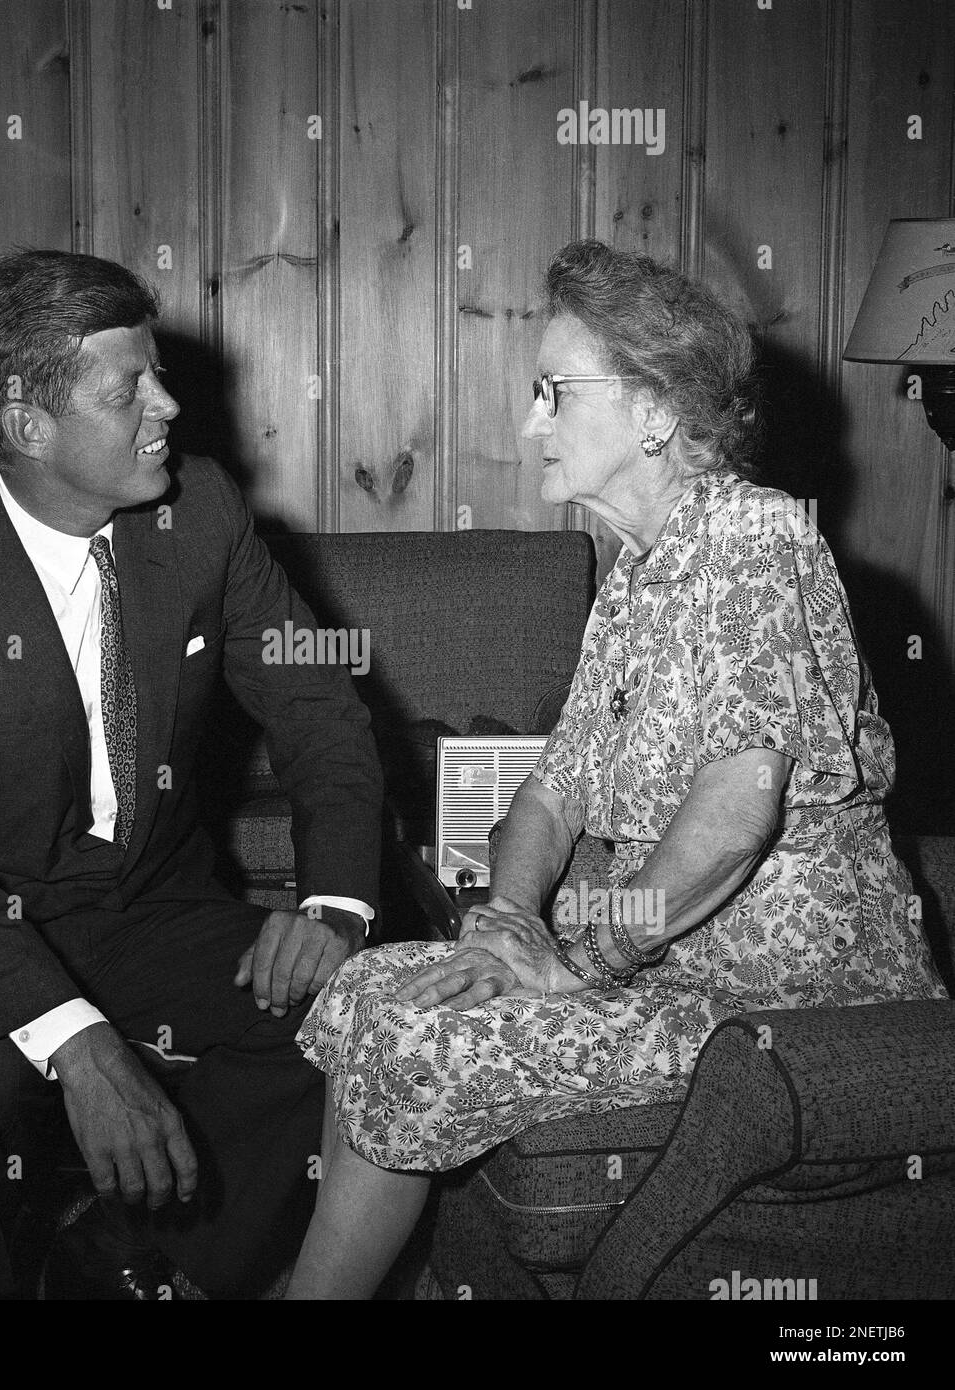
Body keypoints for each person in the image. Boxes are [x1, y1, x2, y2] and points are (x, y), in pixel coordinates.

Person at [286, 238, 948, 1299]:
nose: (528, 421)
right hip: (681, 974)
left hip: (792, 1007)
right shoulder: (639, 577)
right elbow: (553, 784)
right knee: (371, 982)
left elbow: (736, 814)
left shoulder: (755, 543)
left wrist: (578, 960)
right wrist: (507, 912)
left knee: (421, 1032)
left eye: (555, 392)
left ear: (654, 412)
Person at [0, 249, 383, 1299]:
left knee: (356, 1013)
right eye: (127, 387)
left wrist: (336, 906)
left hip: (154, 909)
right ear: (25, 420)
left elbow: (319, 710)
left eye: (159, 372)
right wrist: (78, 1042)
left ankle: (138, 1268)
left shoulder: (205, 515)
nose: (169, 406)